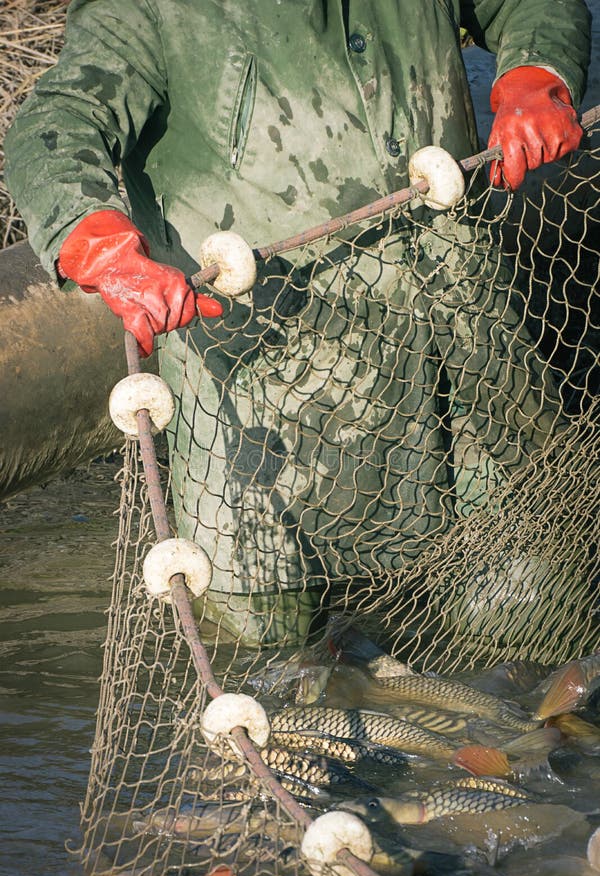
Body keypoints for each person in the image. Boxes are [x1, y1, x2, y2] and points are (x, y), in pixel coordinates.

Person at [5, 1, 591, 646]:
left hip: (467, 352)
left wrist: (537, 75)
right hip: (263, 394)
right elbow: (57, 120)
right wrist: (96, 243)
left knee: (537, 627)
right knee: (273, 665)